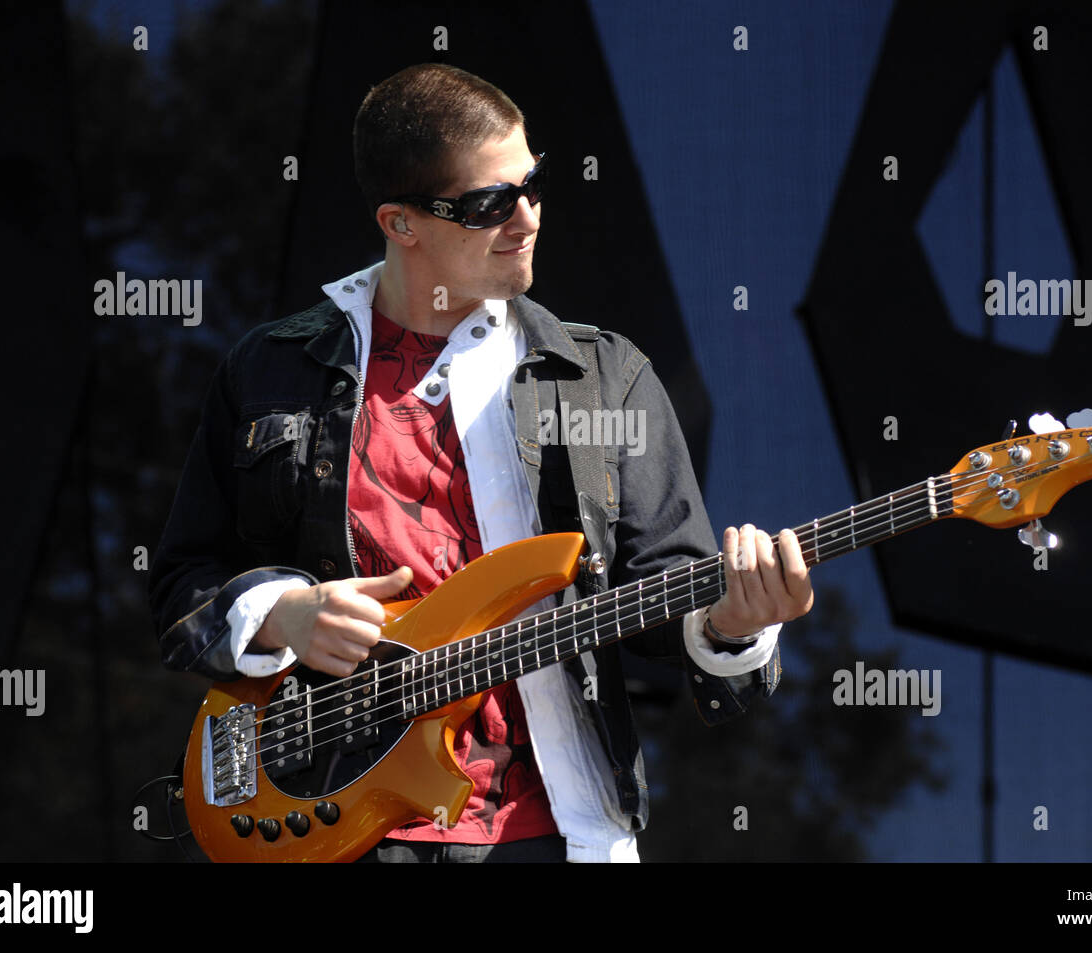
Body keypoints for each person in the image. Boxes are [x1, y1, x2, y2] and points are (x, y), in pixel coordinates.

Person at [150, 63, 814, 863]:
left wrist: (736, 624)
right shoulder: (270, 370)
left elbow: (670, 596)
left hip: (547, 831)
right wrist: (282, 614)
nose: (527, 218)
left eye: (532, 184)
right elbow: (182, 581)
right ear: (400, 224)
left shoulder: (605, 377)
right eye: (489, 204)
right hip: (336, 822)